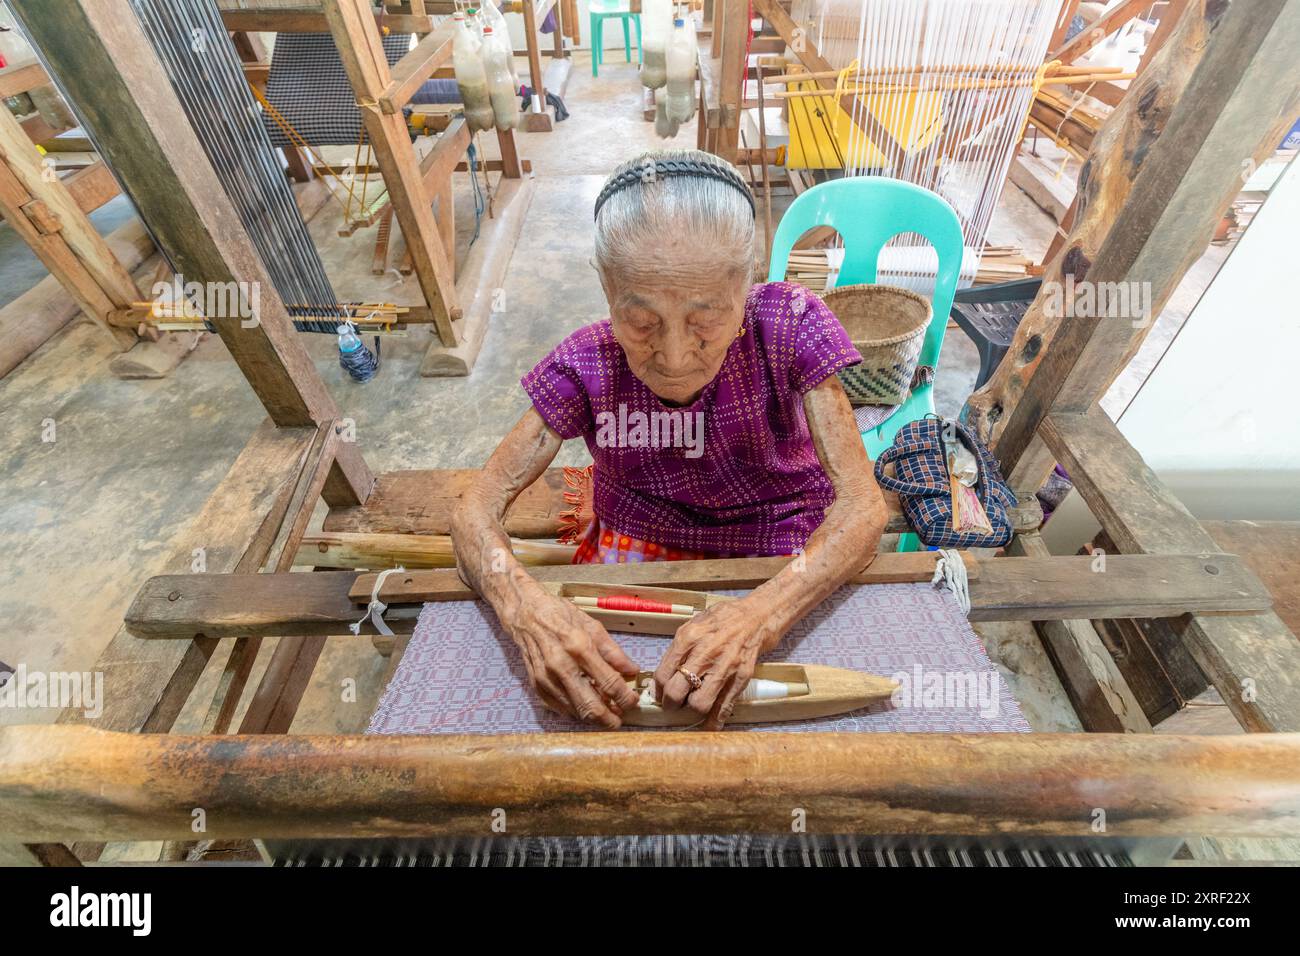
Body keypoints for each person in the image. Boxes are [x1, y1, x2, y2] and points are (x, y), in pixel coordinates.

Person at [452, 149, 887, 729]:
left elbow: (863, 508)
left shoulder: (790, 327)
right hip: (642, 540)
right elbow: (471, 511)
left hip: (781, 540)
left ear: (749, 283)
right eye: (642, 321)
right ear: (606, 289)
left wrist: (759, 616)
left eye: (706, 319)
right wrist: (526, 611)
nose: (676, 356)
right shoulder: (588, 363)